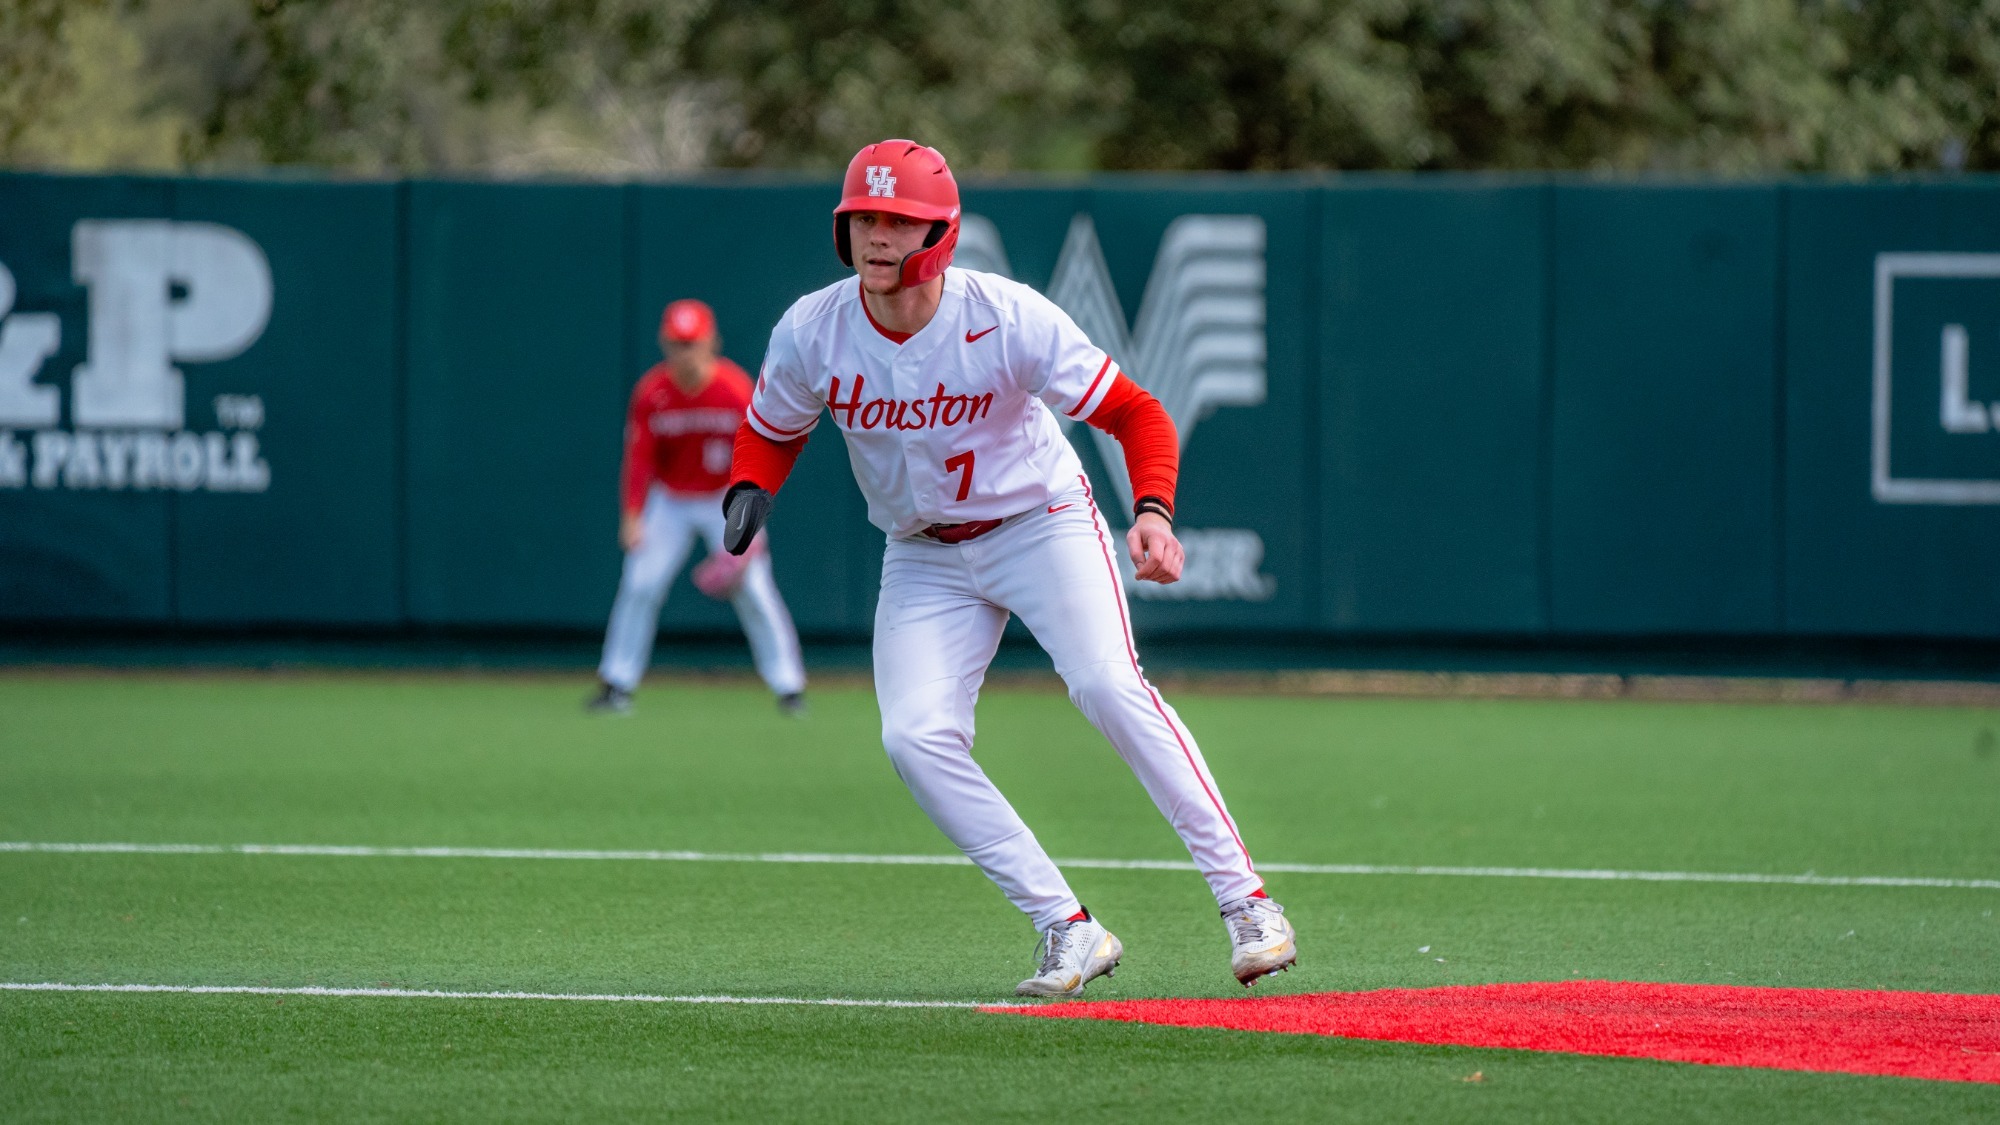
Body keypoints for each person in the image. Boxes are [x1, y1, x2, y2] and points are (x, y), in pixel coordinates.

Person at [720, 141, 1296, 997]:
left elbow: (1135, 412)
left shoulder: (1007, 315)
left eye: (896, 220)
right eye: (862, 219)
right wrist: (749, 487)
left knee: (1107, 685)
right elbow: (771, 426)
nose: (877, 237)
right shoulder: (814, 328)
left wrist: (1152, 509)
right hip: (921, 553)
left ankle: (1246, 900)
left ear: (939, 232)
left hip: (1040, 522)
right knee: (914, 736)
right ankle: (1067, 927)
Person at [589, 299, 807, 716]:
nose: (685, 353)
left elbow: (761, 451)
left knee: (756, 590)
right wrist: (632, 517)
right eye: (677, 343)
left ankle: (789, 687)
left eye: (692, 343)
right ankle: (617, 682)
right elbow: (640, 461)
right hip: (670, 501)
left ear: (712, 342)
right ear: (664, 344)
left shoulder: (734, 388)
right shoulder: (653, 393)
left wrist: (751, 515)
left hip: (726, 500)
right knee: (640, 584)